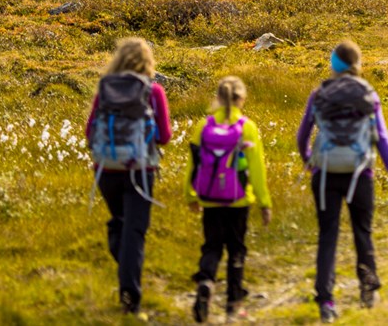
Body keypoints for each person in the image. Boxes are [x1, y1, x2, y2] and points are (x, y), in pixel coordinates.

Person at [296, 41, 388, 323]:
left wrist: (309, 158)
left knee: (328, 235)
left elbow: (302, 134)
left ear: (333, 64)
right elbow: (382, 137)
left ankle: (326, 301)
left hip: (325, 174)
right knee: (362, 232)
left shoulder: (319, 94)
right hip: (361, 174)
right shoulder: (368, 94)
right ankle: (368, 290)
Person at [85, 37, 172, 316]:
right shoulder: (153, 90)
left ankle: (125, 271)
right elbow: (165, 136)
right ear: (147, 62)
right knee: (134, 231)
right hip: (141, 171)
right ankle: (130, 294)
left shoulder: (105, 89)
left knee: (118, 224)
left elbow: (90, 132)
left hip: (107, 170)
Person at [186, 76, 272, 323]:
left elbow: (193, 164)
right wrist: (264, 203)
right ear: (241, 99)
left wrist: (191, 195)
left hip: (210, 199)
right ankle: (234, 300)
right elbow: (257, 169)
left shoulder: (203, 126)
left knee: (211, 246)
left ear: (218, 97)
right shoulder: (248, 127)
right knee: (236, 247)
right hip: (239, 200)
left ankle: (205, 282)